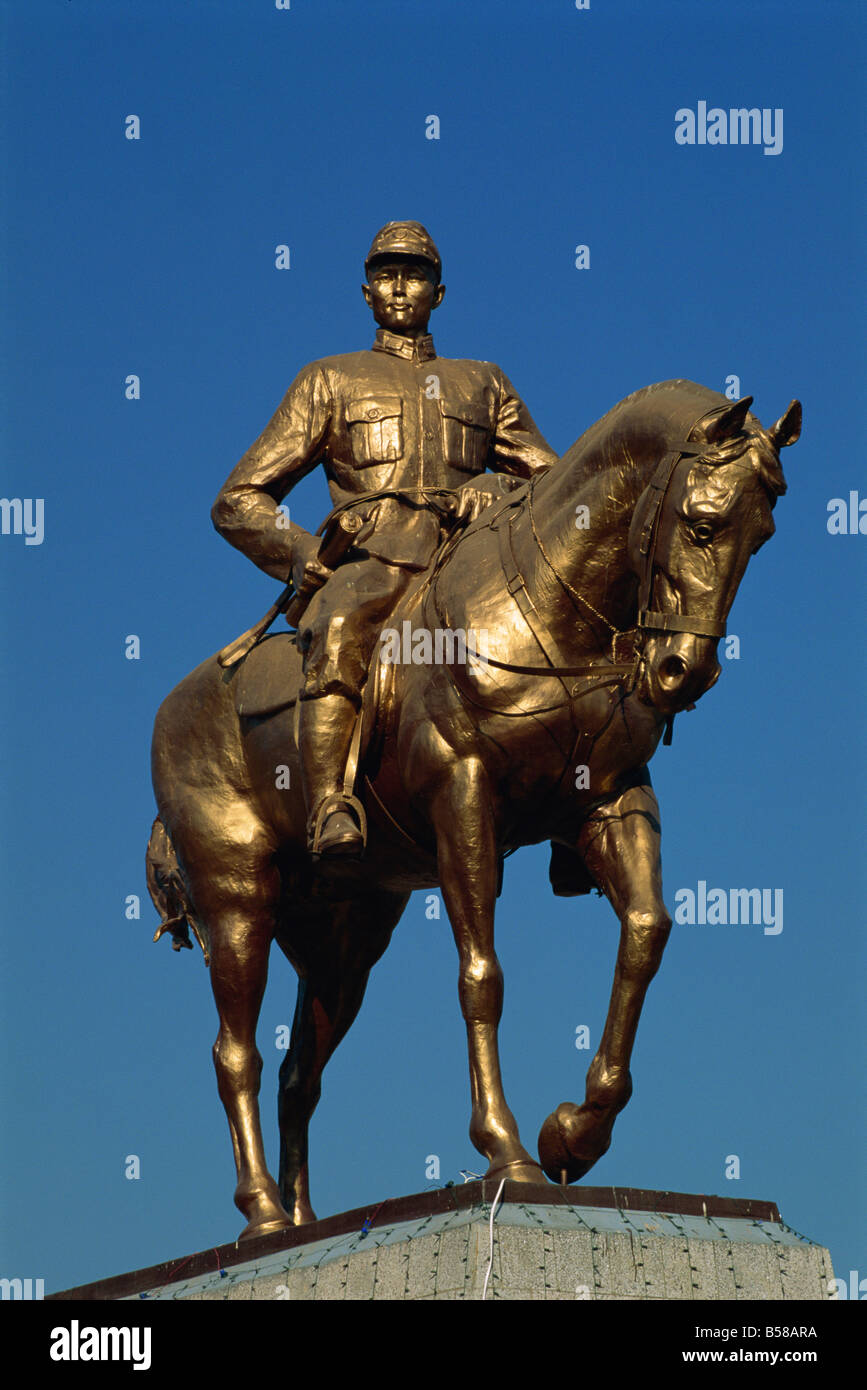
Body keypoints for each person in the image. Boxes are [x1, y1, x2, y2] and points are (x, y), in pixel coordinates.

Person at [212, 221, 557, 857]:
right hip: (375, 561)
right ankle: (329, 805)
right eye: (386, 276)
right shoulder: (328, 380)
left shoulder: (485, 381)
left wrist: (499, 489)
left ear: (440, 293)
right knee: (340, 626)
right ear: (367, 292)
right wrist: (298, 553)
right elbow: (237, 500)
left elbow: (557, 486)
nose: (400, 289)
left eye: (415, 276)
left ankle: (572, 803)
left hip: (467, 562)